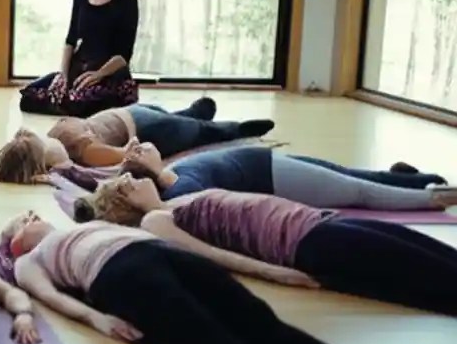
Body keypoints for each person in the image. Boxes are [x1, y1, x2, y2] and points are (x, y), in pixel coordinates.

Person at [0, 211, 424, 344]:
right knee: (199, 329)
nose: (32, 216)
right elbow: (53, 299)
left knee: (252, 313)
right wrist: (97, 318)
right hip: (113, 275)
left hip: (155, 251)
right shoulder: (30, 261)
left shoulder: (84, 223)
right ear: (17, 242)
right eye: (23, 221)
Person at [74, 174, 457, 315]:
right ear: (127, 204)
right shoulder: (156, 220)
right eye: (125, 186)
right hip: (306, 242)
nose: (131, 178)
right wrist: (274, 273)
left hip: (320, 222)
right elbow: (213, 256)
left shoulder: (174, 198)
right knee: (434, 274)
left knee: (440, 258)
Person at [73, 143, 456, 214]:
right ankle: (432, 196)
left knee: (347, 174)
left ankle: (418, 179)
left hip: (269, 163)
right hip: (276, 176)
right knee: (359, 192)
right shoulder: (177, 192)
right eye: (138, 154)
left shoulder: (169, 179)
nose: (138, 146)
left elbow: (94, 179)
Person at [19, 0, 140, 117]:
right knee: (28, 97)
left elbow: (124, 54)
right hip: (79, 66)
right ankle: (66, 95)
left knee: (79, 104)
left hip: (108, 71)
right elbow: (71, 39)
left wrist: (98, 74)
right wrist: (63, 75)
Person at [46, 99, 275, 167]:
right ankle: (194, 113)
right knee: (180, 123)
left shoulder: (74, 148)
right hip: (132, 112)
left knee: (202, 133)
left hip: (144, 127)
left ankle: (235, 129)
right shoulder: (57, 130)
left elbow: (123, 153)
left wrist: (130, 154)